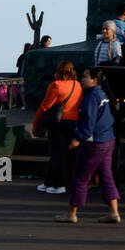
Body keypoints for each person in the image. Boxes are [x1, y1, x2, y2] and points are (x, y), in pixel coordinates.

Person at [56, 66, 120, 224]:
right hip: (108, 139)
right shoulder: (103, 94)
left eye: (85, 76)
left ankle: (72, 213)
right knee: (106, 177)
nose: (82, 79)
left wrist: (78, 138)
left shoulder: (91, 97)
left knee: (80, 177)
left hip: (94, 142)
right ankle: (113, 212)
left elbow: (89, 121)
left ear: (94, 79)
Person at [33, 61, 81, 195]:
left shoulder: (56, 85)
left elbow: (45, 106)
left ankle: (58, 185)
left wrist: (36, 123)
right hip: (73, 122)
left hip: (58, 123)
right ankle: (48, 182)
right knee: (61, 154)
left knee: (56, 154)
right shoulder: (77, 85)